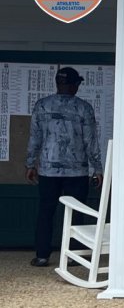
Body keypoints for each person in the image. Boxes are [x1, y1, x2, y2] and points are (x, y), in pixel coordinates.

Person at [25, 66, 102, 267]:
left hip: (48, 170)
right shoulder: (84, 108)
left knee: (46, 211)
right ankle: (75, 255)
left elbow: (35, 138)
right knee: (76, 212)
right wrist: (97, 168)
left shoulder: (41, 106)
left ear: (58, 84)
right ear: (74, 85)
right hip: (77, 171)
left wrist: (30, 163)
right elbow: (90, 141)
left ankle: (42, 256)